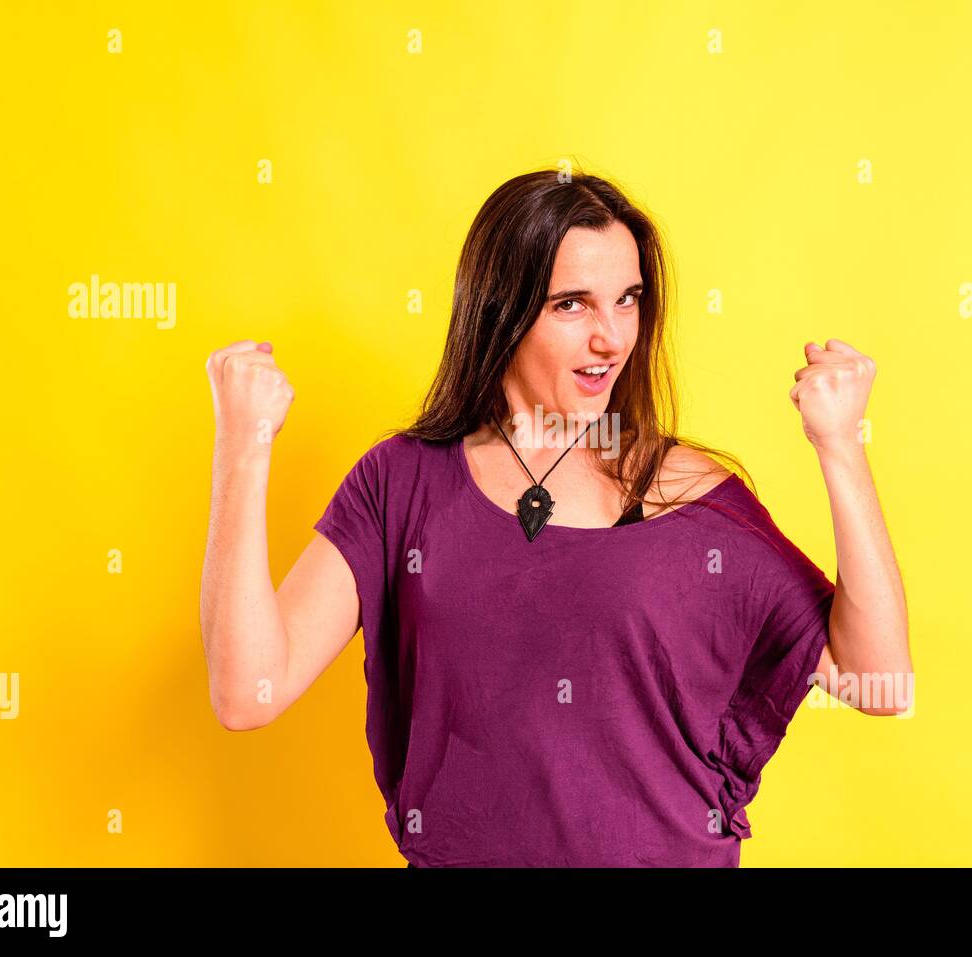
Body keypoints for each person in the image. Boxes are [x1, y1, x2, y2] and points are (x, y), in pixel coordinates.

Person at [200, 168, 911, 867]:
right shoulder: (402, 482)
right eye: (572, 304)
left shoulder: (691, 495)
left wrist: (841, 445)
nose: (611, 337)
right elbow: (246, 691)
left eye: (627, 299)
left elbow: (877, 676)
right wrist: (242, 446)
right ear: (500, 311)